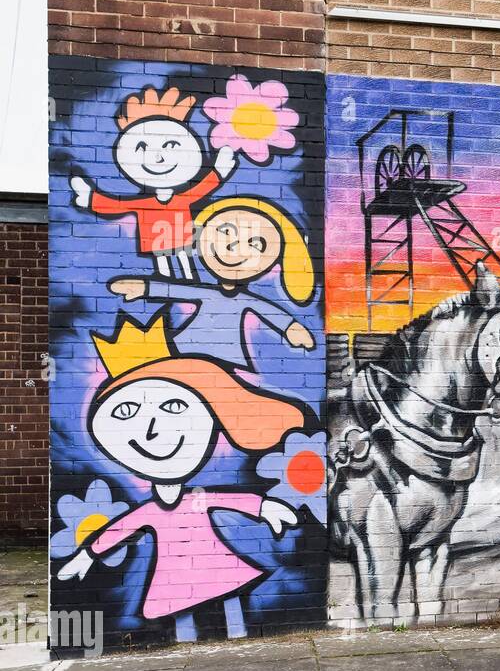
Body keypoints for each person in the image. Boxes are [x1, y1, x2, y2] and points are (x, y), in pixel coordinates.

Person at [55, 313, 306, 642]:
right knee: (181, 610)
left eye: (174, 406)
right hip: (174, 574)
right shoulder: (153, 510)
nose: (152, 429)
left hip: (215, 565)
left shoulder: (197, 499)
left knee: (228, 600)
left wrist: (266, 508)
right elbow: (120, 529)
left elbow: (230, 500)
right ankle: (189, 641)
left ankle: (237, 635)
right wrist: (88, 554)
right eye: (125, 411)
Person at [107, 197, 316, 372]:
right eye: (225, 232)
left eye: (254, 244)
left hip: (226, 360)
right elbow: (175, 290)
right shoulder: (206, 292)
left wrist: (291, 327)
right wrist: (144, 288)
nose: (234, 247)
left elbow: (268, 311)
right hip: (185, 351)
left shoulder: (246, 300)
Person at [69, 86, 236, 280]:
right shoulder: (147, 203)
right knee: (163, 259)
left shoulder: (181, 198)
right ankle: (166, 280)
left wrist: (219, 170)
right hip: (157, 241)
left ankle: (189, 280)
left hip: (182, 238)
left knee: (183, 256)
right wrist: (90, 198)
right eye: (141, 148)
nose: (158, 157)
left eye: (171, 145)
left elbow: (202, 188)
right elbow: (118, 205)